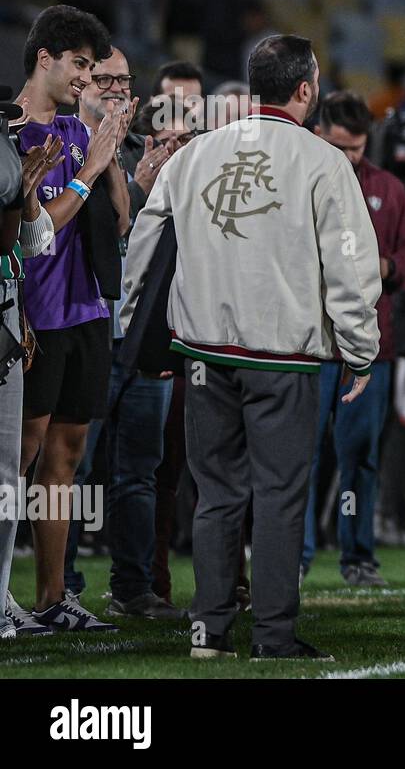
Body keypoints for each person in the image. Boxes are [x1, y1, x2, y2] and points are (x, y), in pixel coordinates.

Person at [122, 33, 380, 660]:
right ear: (304, 90)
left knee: (215, 496)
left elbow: (144, 243)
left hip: (205, 355)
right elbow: (351, 268)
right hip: (283, 360)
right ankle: (273, 636)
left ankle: (207, 632)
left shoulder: (192, 155)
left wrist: (130, 321)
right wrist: (360, 348)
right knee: (279, 497)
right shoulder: (323, 162)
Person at [13, 6, 129, 633]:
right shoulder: (11, 134)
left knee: (67, 454)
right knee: (18, 457)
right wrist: (87, 172)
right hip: (33, 317)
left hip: (86, 311)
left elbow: (118, 223)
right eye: (80, 64)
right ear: (45, 59)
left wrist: (112, 159)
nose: (87, 77)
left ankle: (53, 599)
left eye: (93, 66)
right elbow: (37, 235)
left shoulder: (78, 131)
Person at [61, 49, 187, 621]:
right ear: (81, 83)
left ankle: (134, 589)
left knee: (138, 470)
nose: (114, 90)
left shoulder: (151, 155)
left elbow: (161, 250)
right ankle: (57, 588)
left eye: (123, 81)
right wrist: (131, 191)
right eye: (103, 79)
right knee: (70, 468)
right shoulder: (60, 150)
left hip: (137, 338)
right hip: (80, 331)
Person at [301, 91, 405, 587]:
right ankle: (296, 554)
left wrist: (385, 267)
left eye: (356, 148)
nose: (348, 158)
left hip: (370, 351)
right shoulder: (301, 183)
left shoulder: (388, 191)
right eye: (338, 146)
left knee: (360, 457)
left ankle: (358, 558)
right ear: (316, 135)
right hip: (308, 345)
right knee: (299, 458)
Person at [1, 91, 61, 637]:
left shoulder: (10, 158)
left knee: (4, 473)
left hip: (6, 323)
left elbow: (35, 242)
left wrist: (29, 197)